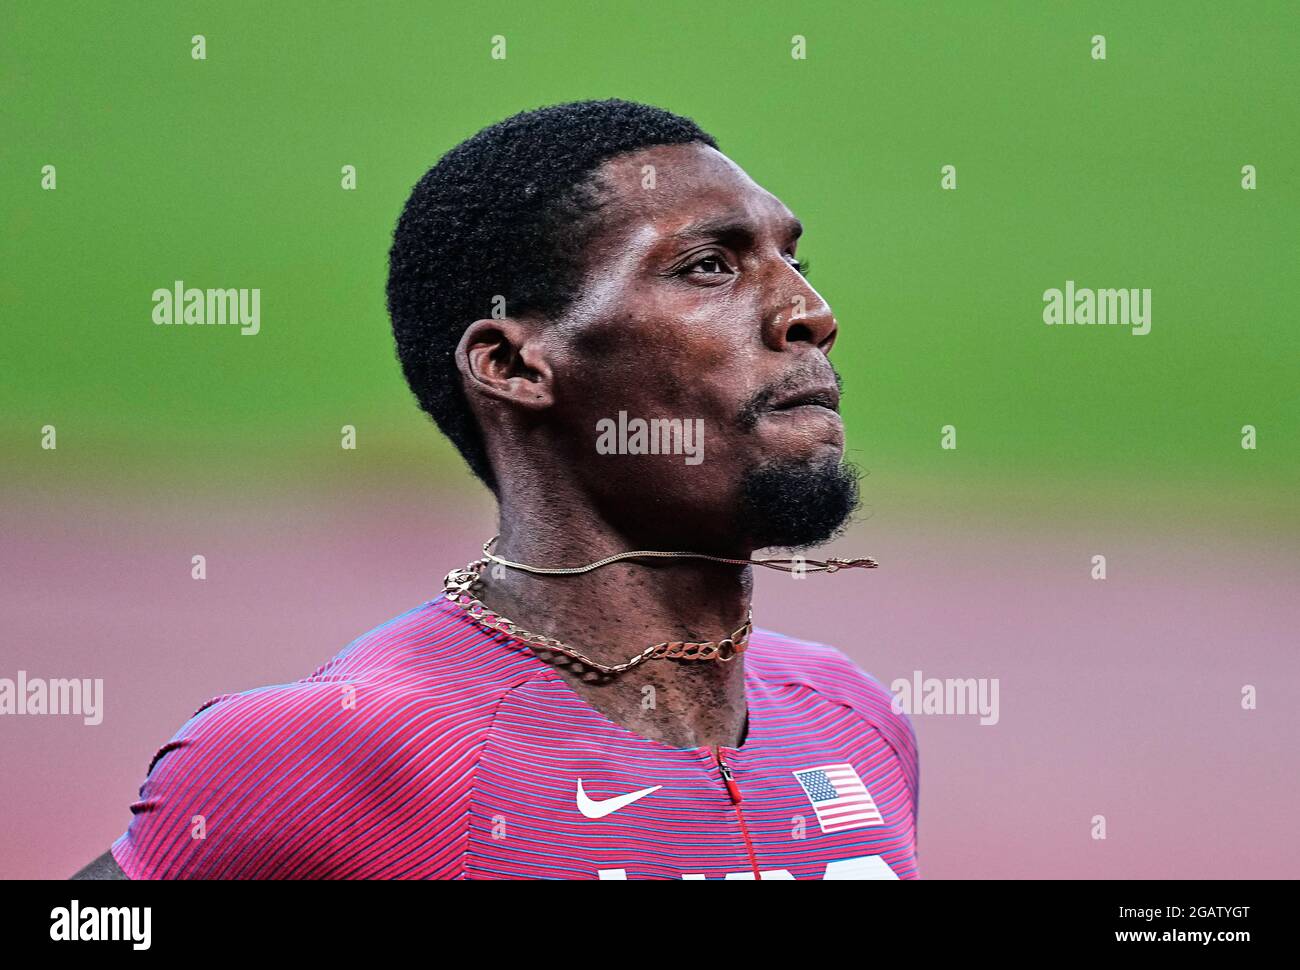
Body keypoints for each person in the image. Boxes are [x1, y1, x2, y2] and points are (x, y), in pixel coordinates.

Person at [74, 99, 918, 880]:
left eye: (792, 258)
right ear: (514, 365)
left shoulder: (848, 715)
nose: (810, 310)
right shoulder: (337, 751)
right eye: (708, 266)